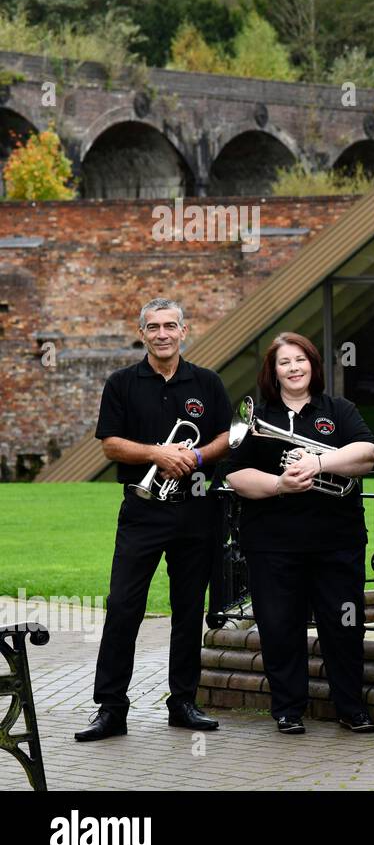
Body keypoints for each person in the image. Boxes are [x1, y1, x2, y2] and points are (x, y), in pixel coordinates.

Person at [76, 298, 231, 742]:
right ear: (141, 333)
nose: (162, 334)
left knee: (188, 610)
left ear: (185, 331)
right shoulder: (122, 383)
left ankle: (182, 702)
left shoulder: (207, 381)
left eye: (170, 326)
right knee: (123, 606)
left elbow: (226, 437)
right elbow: (110, 445)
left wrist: (196, 454)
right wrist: (157, 453)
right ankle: (111, 708)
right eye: (153, 327)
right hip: (143, 510)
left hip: (196, 509)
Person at [224, 332, 374, 735]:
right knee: (279, 626)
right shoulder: (258, 417)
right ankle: (288, 709)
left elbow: (368, 453)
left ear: (312, 365)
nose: (293, 368)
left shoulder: (339, 410)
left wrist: (318, 460)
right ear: (272, 372)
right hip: (272, 544)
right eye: (284, 362)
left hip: (336, 542)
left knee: (343, 625)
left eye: (300, 360)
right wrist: (280, 485)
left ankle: (351, 707)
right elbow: (237, 474)